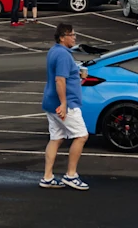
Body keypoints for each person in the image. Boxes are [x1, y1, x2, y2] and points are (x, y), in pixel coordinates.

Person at [40, 23, 89, 191]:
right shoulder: (63, 55)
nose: (74, 37)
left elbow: (64, 74)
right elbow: (60, 79)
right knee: (81, 136)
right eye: (71, 35)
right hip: (65, 105)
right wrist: (63, 103)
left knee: (56, 138)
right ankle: (71, 175)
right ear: (62, 37)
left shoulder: (54, 51)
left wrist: (78, 72)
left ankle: (47, 177)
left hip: (50, 102)